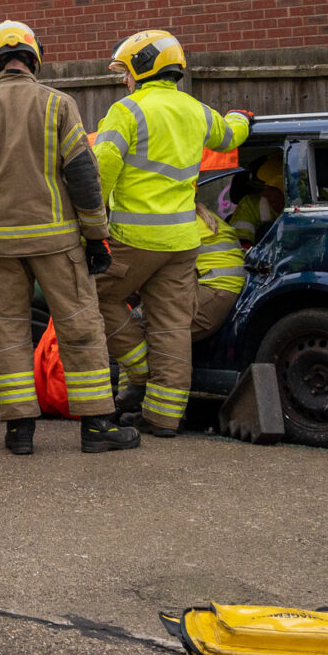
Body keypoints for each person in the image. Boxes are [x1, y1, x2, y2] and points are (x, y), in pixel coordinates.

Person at [0, 21, 138, 455]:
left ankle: (19, 432)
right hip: (59, 243)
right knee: (81, 330)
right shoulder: (59, 105)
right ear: (35, 57)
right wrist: (96, 237)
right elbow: (84, 177)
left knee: (9, 336)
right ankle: (96, 427)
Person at [93, 29, 251, 438]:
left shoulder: (125, 112)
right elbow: (230, 134)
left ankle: (140, 369)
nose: (125, 80)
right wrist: (241, 118)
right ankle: (162, 418)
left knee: (92, 300)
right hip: (183, 242)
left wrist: (91, 228)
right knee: (171, 325)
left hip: (135, 240)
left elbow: (100, 174)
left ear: (142, 69)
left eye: (126, 71)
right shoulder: (197, 111)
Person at [192, 200, 246, 342]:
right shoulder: (209, 217)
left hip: (214, 288)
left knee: (137, 323)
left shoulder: (180, 223)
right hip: (229, 288)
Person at [226, 150, 286, 248]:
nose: (265, 194)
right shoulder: (250, 204)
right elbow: (240, 242)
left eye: (271, 189)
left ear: (284, 190)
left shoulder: (304, 208)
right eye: (263, 188)